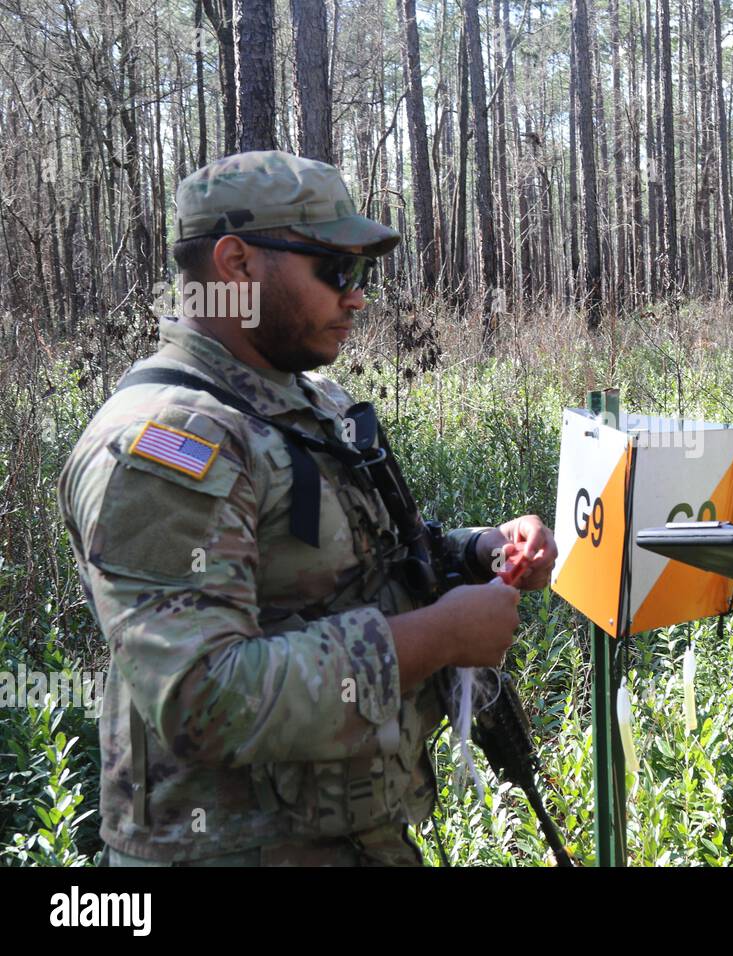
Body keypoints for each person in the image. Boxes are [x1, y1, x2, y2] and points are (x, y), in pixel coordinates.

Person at [58, 151, 557, 866]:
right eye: (336, 270)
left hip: (353, 838)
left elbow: (350, 567)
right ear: (236, 266)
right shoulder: (165, 443)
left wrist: (482, 551)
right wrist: (440, 638)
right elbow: (202, 698)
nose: (357, 297)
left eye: (364, 274)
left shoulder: (303, 402)